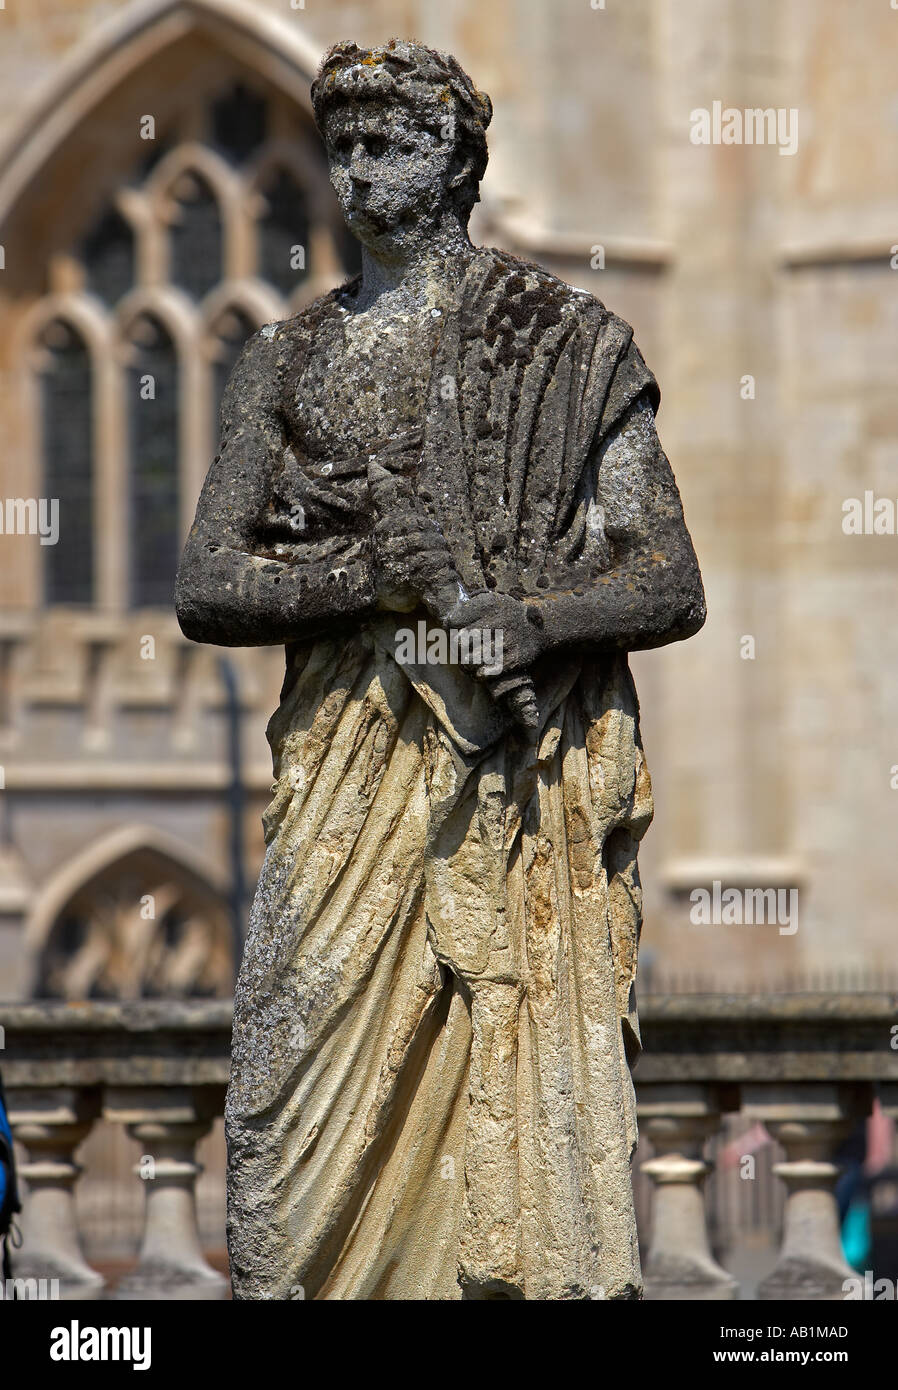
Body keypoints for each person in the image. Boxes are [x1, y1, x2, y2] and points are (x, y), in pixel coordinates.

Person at [176, 38, 705, 1300]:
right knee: (284, 1120)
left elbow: (669, 579)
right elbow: (206, 582)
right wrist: (366, 577)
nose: (357, 172)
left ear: (459, 161)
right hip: (344, 775)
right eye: (343, 147)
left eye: (389, 144)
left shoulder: (561, 342)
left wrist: (531, 620)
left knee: (501, 1090)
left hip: (506, 780)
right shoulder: (286, 360)